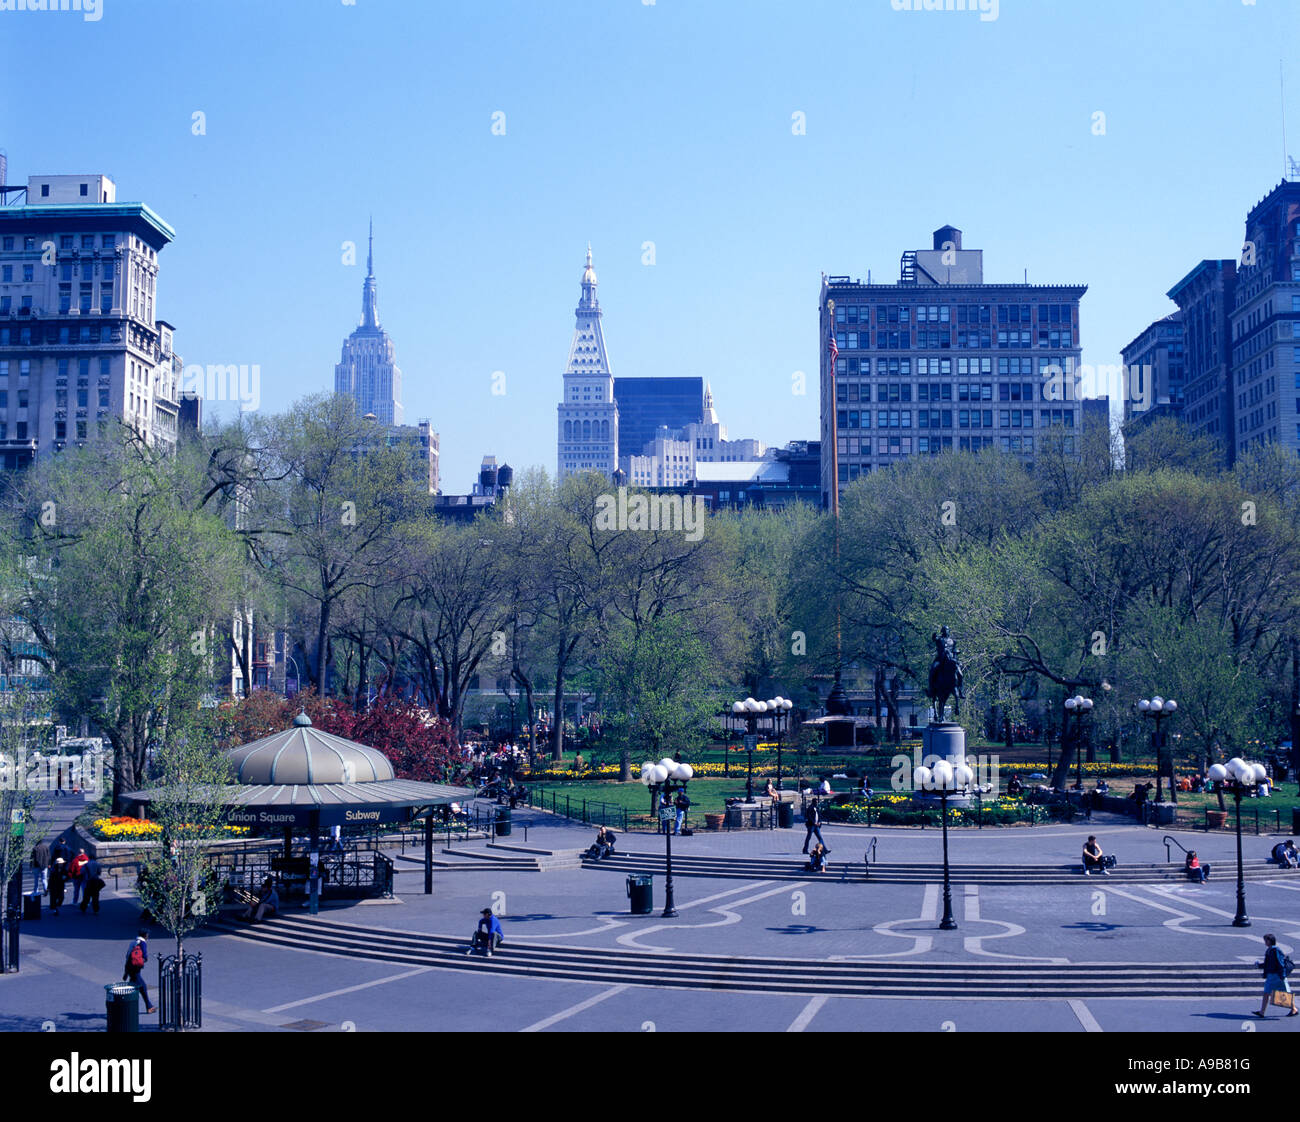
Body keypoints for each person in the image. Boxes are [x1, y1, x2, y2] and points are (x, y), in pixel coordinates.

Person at [1254, 933, 1297, 1018]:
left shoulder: (1275, 950)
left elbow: (1279, 963)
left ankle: (1294, 1009)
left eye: (1266, 940)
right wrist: (1259, 965)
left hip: (1276, 976)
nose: (1265, 942)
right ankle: (1262, 1012)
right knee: (1267, 992)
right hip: (1272, 975)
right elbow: (1268, 964)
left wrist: (1281, 975)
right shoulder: (1270, 950)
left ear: (1270, 941)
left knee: (1282, 993)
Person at [123, 928, 156, 1014]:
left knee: (135, 986)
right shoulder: (143, 943)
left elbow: (127, 956)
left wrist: (126, 972)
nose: (148, 936)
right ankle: (148, 1007)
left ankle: (148, 1006)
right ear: (145, 935)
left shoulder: (133, 942)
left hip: (130, 968)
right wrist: (143, 960)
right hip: (136, 968)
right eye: (147, 934)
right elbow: (145, 956)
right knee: (142, 986)